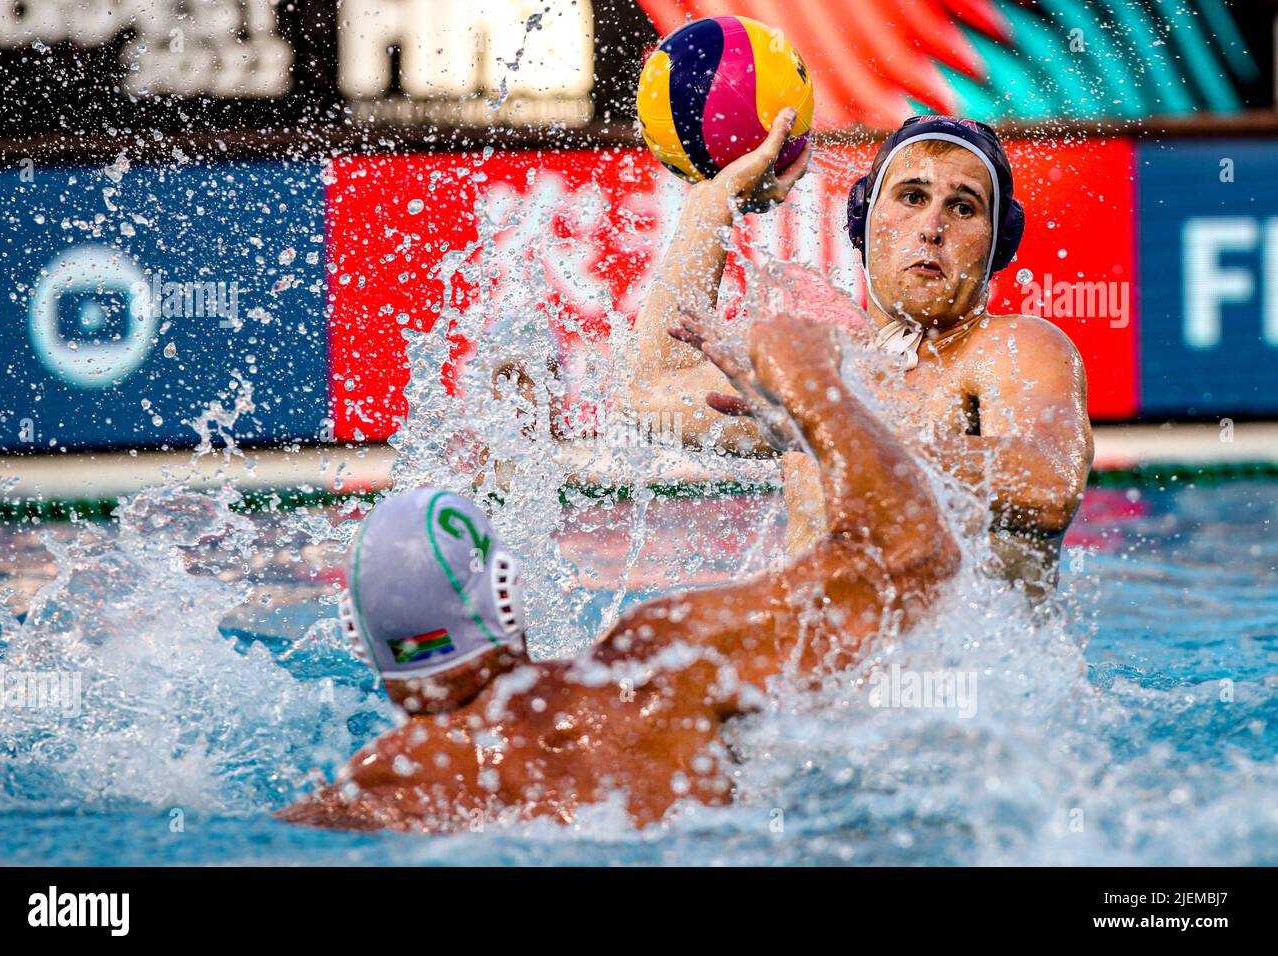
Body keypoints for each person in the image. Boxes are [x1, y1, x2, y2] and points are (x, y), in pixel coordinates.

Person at [277, 312, 960, 831]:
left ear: (366, 639)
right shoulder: (658, 671)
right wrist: (812, 382)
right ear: (506, 598)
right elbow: (911, 558)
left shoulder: (366, 796)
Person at [628, 110, 1093, 594]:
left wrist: (833, 427)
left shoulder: (1013, 347)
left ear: (998, 245)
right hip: (824, 663)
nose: (932, 227)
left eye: (963, 208)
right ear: (862, 221)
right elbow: (645, 399)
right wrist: (712, 201)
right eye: (912, 197)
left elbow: (1048, 484)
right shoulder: (822, 369)